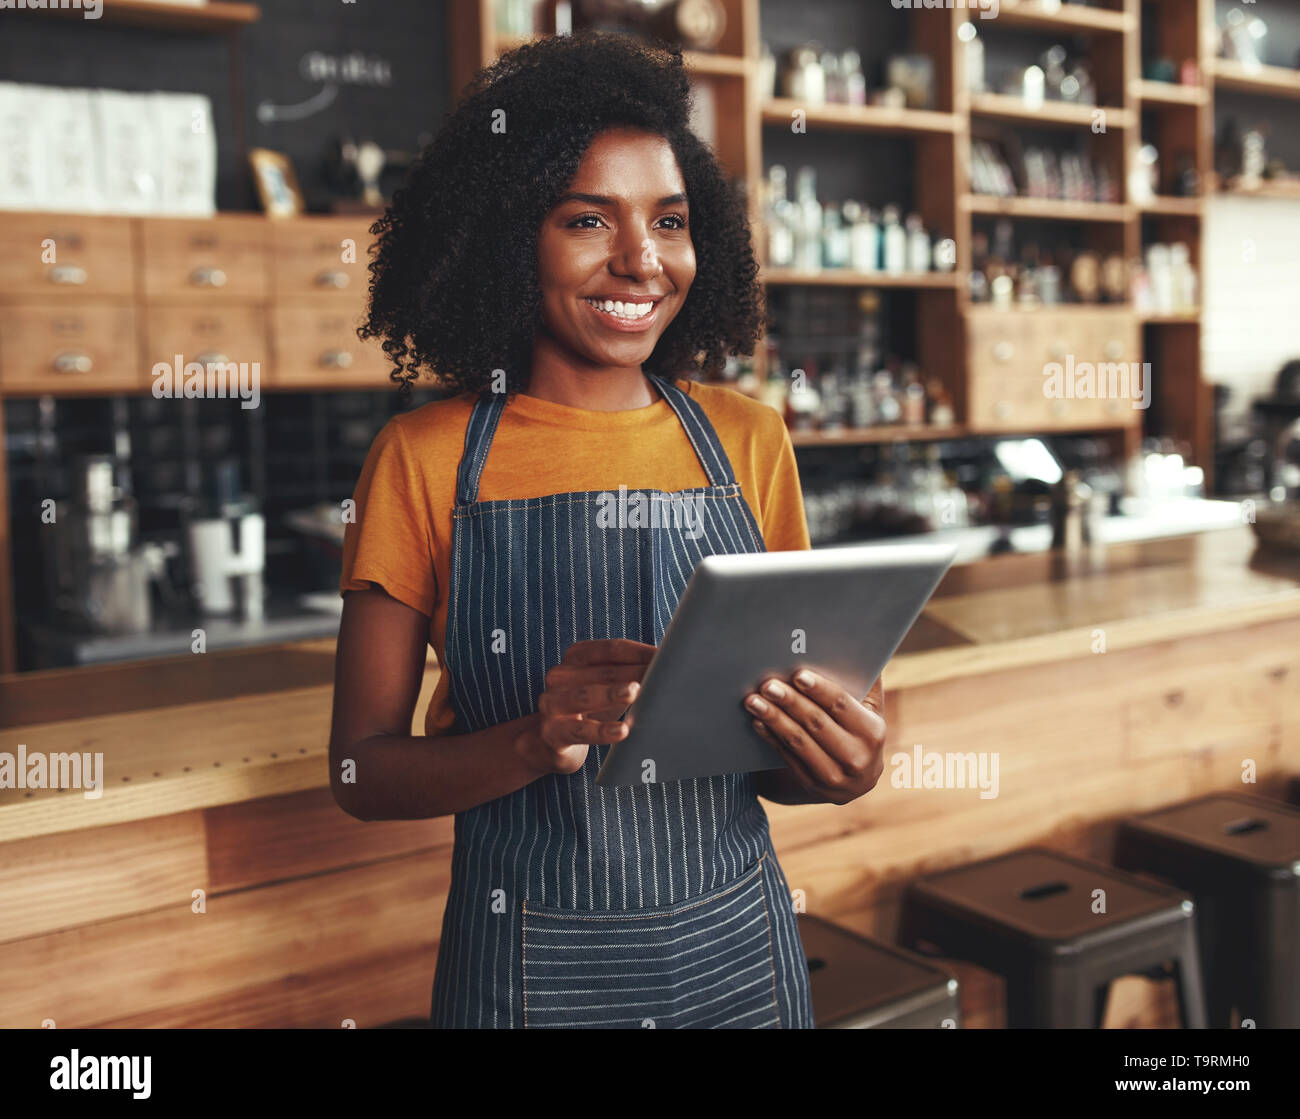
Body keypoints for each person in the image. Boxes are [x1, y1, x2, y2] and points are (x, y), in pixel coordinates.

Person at [330, 31, 886, 1029]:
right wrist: (534, 745)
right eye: (588, 220)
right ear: (509, 237)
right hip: (525, 972)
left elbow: (782, 758)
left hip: (738, 955)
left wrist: (840, 767)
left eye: (669, 222)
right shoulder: (423, 460)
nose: (641, 259)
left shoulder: (749, 441)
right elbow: (359, 771)